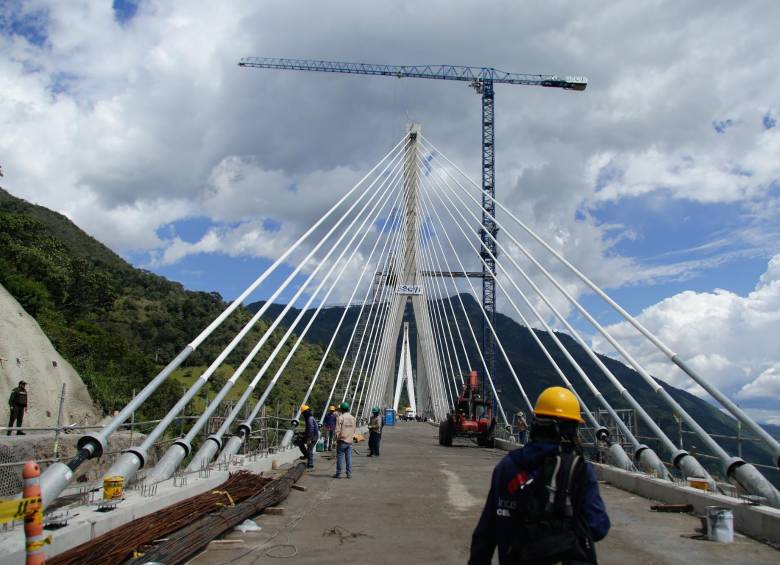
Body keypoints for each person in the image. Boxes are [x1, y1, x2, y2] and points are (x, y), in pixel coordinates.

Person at [469, 387, 610, 565]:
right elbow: (598, 526)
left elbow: (486, 534)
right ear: (566, 430)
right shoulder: (580, 470)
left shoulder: (507, 467)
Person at [333, 401, 356, 479]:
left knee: (340, 458)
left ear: (341, 410)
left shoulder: (340, 418)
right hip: (349, 441)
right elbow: (354, 430)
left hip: (342, 441)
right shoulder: (353, 418)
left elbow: (337, 430)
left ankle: (338, 474)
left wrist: (334, 440)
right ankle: (349, 474)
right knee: (348, 458)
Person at [300, 404, 319, 470]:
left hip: (313, 437)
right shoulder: (309, 418)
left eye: (303, 413)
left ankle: (310, 465)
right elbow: (308, 429)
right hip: (312, 436)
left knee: (309, 449)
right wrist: (303, 433)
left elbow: (311, 429)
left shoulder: (309, 418)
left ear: (305, 412)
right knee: (300, 443)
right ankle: (306, 456)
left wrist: (309, 439)